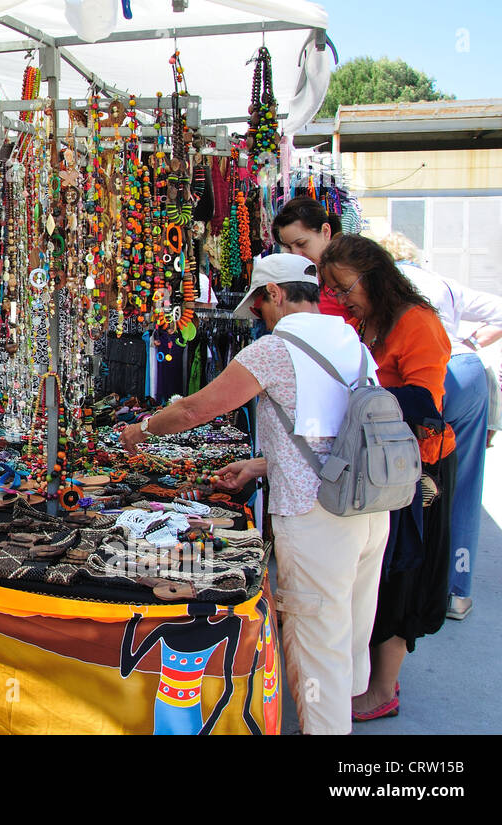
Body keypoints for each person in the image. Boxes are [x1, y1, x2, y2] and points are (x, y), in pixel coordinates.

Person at [119, 253, 387, 735]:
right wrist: (260, 465)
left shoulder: (275, 349)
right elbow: (333, 432)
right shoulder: (351, 341)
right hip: (366, 506)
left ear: (276, 294)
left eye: (260, 305)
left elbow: (194, 411)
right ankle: (336, 719)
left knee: (317, 641)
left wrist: (142, 429)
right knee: (346, 631)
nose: (259, 316)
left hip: (316, 514)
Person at [319, 234, 456, 722]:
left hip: (415, 467)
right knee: (378, 576)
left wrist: (362, 401)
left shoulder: (416, 323)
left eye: (344, 287)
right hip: (380, 464)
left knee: (401, 579)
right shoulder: (365, 321)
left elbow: (427, 405)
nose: (341, 298)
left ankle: (383, 690)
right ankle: (372, 682)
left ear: (374, 276)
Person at [378, 232, 502, 621]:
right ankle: (457, 589)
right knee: (463, 483)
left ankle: (409, 583)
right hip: (464, 369)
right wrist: (465, 338)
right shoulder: (443, 284)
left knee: (408, 479)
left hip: (417, 379)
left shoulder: (383, 283)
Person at [271, 196, 354, 322]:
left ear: (325, 232)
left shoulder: (350, 276)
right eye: (288, 247)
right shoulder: (295, 282)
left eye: (302, 244)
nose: (296, 254)